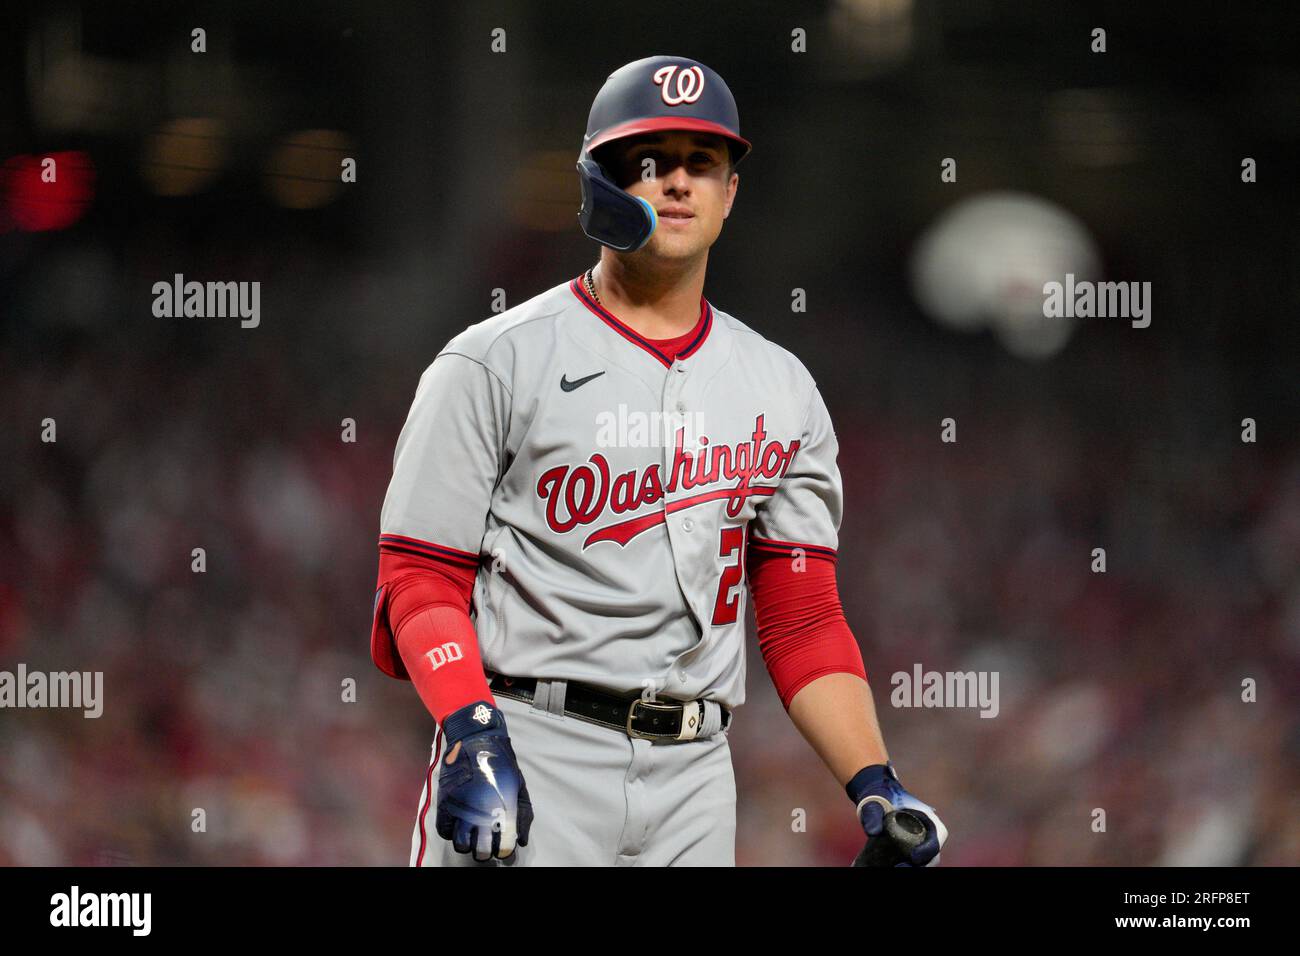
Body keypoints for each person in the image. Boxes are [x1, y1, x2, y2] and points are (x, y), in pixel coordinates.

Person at [370, 55, 948, 866]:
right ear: (599, 183)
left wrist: (876, 782)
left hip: (696, 778)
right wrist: (470, 730)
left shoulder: (780, 387)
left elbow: (802, 618)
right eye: (649, 162)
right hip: (532, 747)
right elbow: (420, 577)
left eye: (702, 163)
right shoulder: (494, 361)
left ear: (730, 194)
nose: (678, 183)